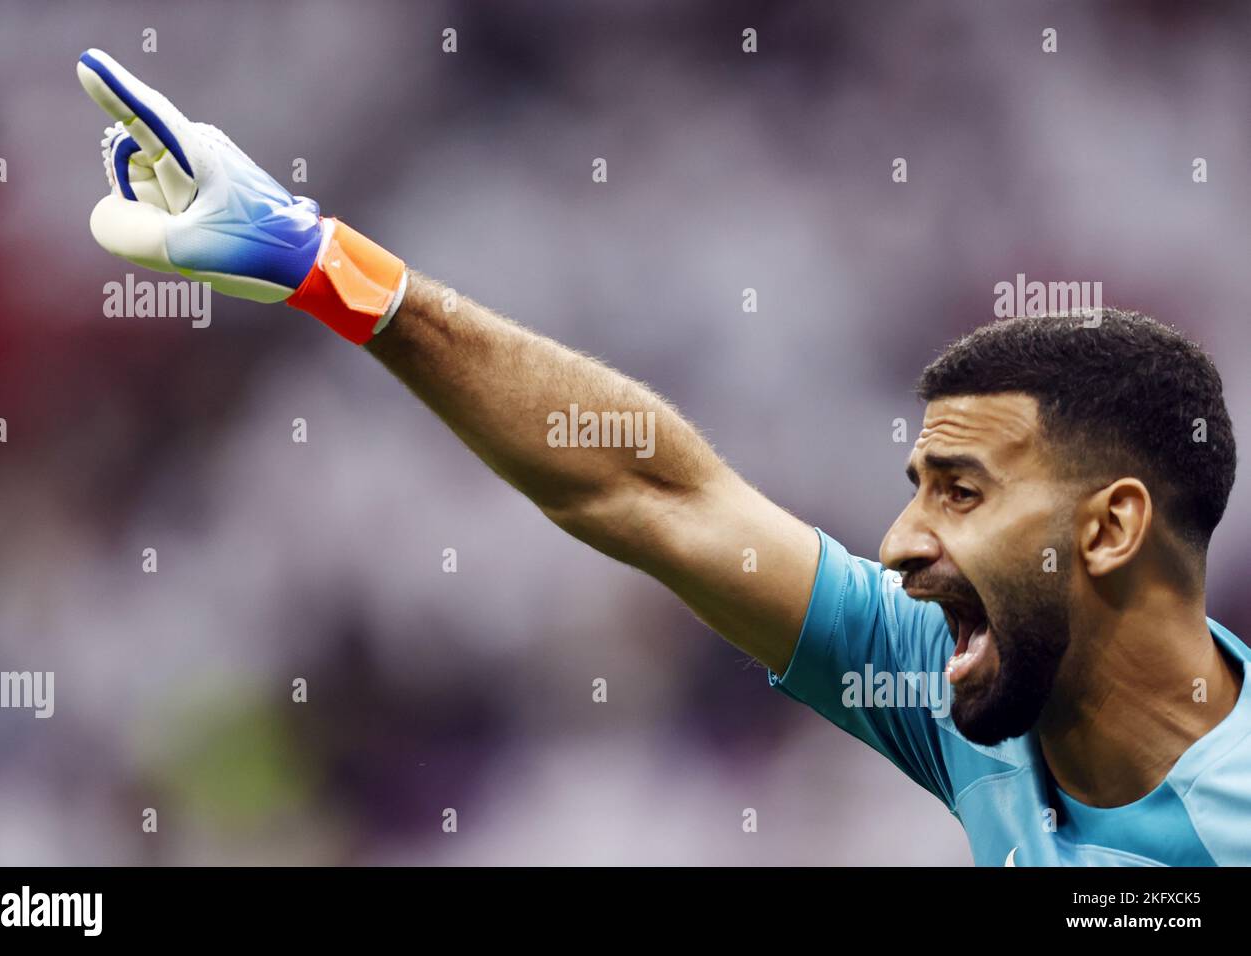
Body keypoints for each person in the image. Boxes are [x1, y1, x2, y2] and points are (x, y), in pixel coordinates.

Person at [77, 48, 1248, 865]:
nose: (900, 544)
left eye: (962, 495)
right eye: (916, 492)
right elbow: (645, 487)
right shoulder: (961, 698)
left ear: (1106, 528)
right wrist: (325, 265)